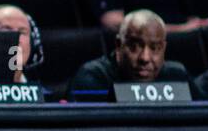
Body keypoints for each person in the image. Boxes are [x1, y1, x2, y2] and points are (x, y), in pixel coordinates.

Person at [66, 9, 196, 100]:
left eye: (155, 48)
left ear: (164, 49)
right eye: (134, 47)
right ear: (118, 45)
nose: (145, 58)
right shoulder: (93, 79)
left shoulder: (177, 77)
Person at [0, 4, 38, 84]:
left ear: (31, 42)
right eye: (6, 30)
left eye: (22, 32)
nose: (16, 38)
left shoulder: (44, 95)